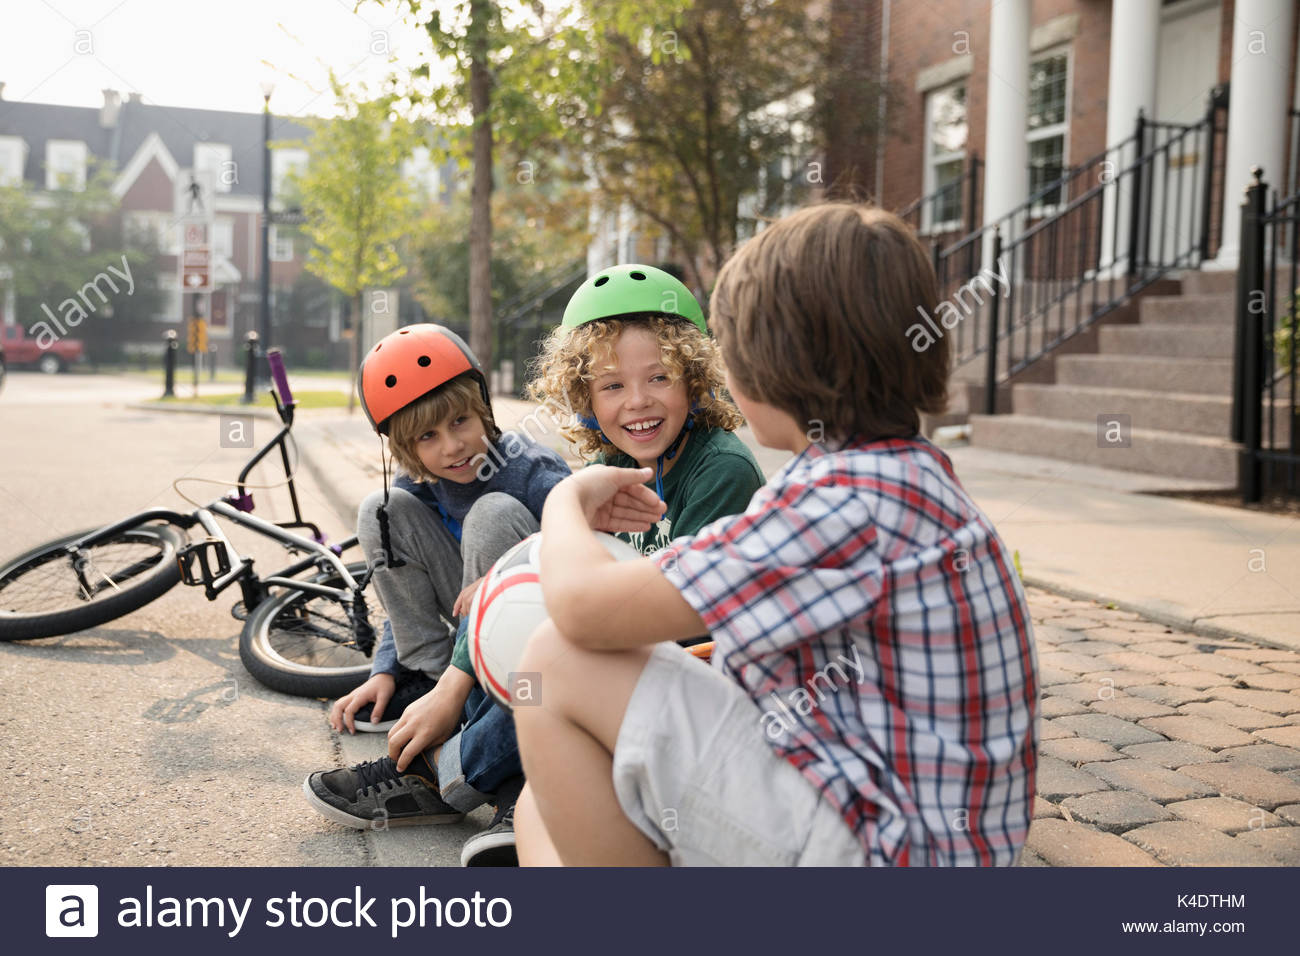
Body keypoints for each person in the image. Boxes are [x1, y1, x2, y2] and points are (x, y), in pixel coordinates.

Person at [512, 204, 1039, 867]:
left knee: (553, 662)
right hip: (910, 825)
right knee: (540, 807)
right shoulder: (903, 474)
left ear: (779, 366)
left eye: (731, 345)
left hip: (881, 850)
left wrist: (565, 499)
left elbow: (582, 610)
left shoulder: (839, 504)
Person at [378, 264, 765, 865]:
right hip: (642, 660)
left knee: (559, 653)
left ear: (695, 378)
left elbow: (673, 619)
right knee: (524, 615)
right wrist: (454, 682)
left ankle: (438, 775)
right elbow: (538, 562)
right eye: (611, 386)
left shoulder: (721, 470)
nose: (637, 402)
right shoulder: (611, 461)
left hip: (698, 674)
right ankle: (471, 762)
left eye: (659, 377)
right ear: (585, 396)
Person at [302, 324, 569, 831]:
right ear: (404, 448)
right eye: (428, 436)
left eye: (461, 421)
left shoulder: (528, 467)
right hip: (462, 633)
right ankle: (424, 680)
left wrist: (502, 579)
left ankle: (470, 708)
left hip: (527, 629)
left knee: (491, 513)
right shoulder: (419, 482)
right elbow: (406, 581)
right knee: (381, 508)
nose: (453, 446)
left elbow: (581, 542)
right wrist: (384, 667)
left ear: (484, 408)